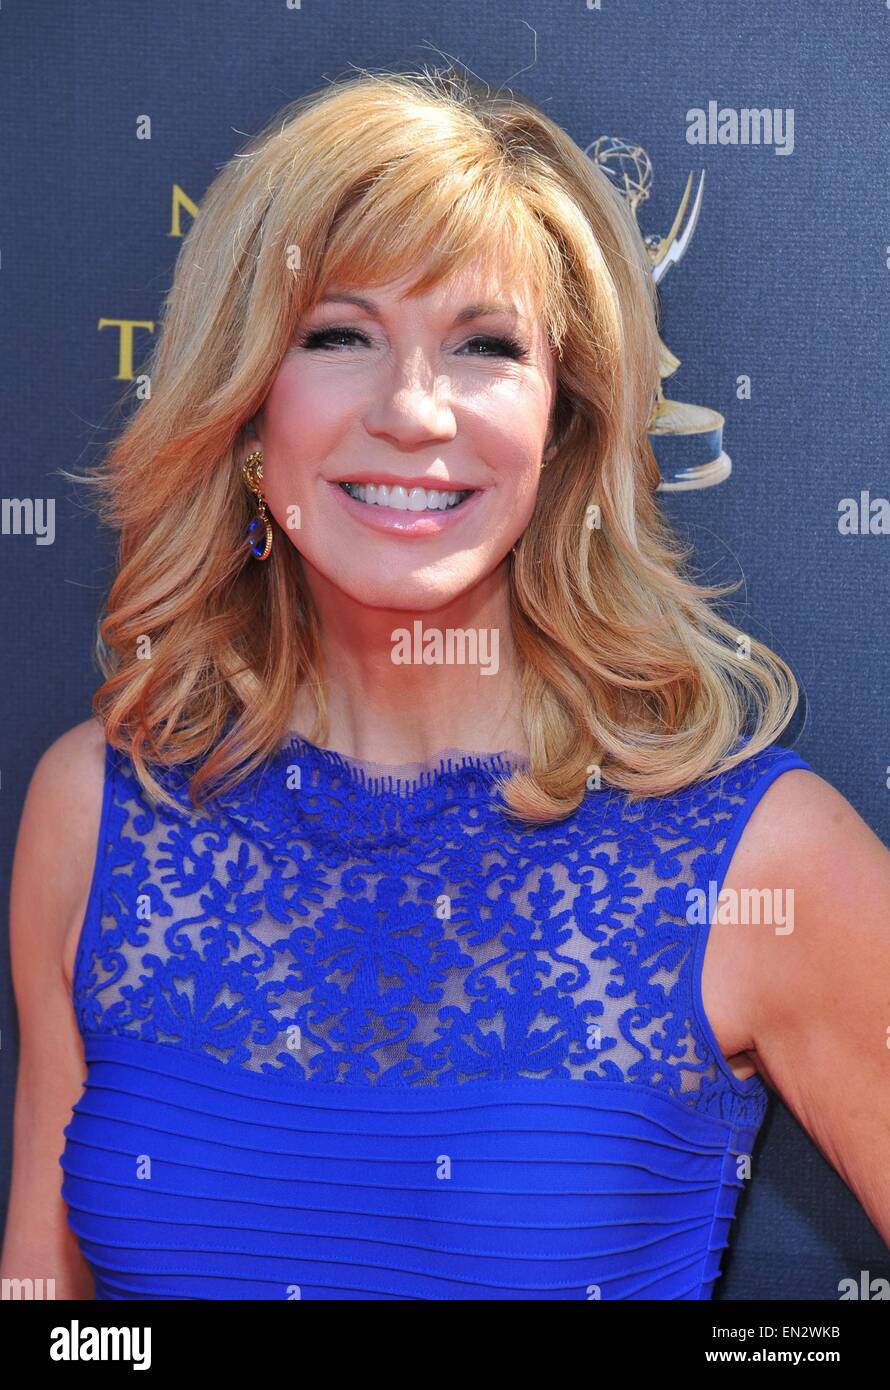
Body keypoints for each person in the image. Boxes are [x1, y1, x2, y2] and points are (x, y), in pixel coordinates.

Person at [3, 66, 888, 1301]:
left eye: (482, 345)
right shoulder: (98, 813)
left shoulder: (759, 861)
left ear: (561, 425)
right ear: (249, 416)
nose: (414, 410)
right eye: (338, 335)